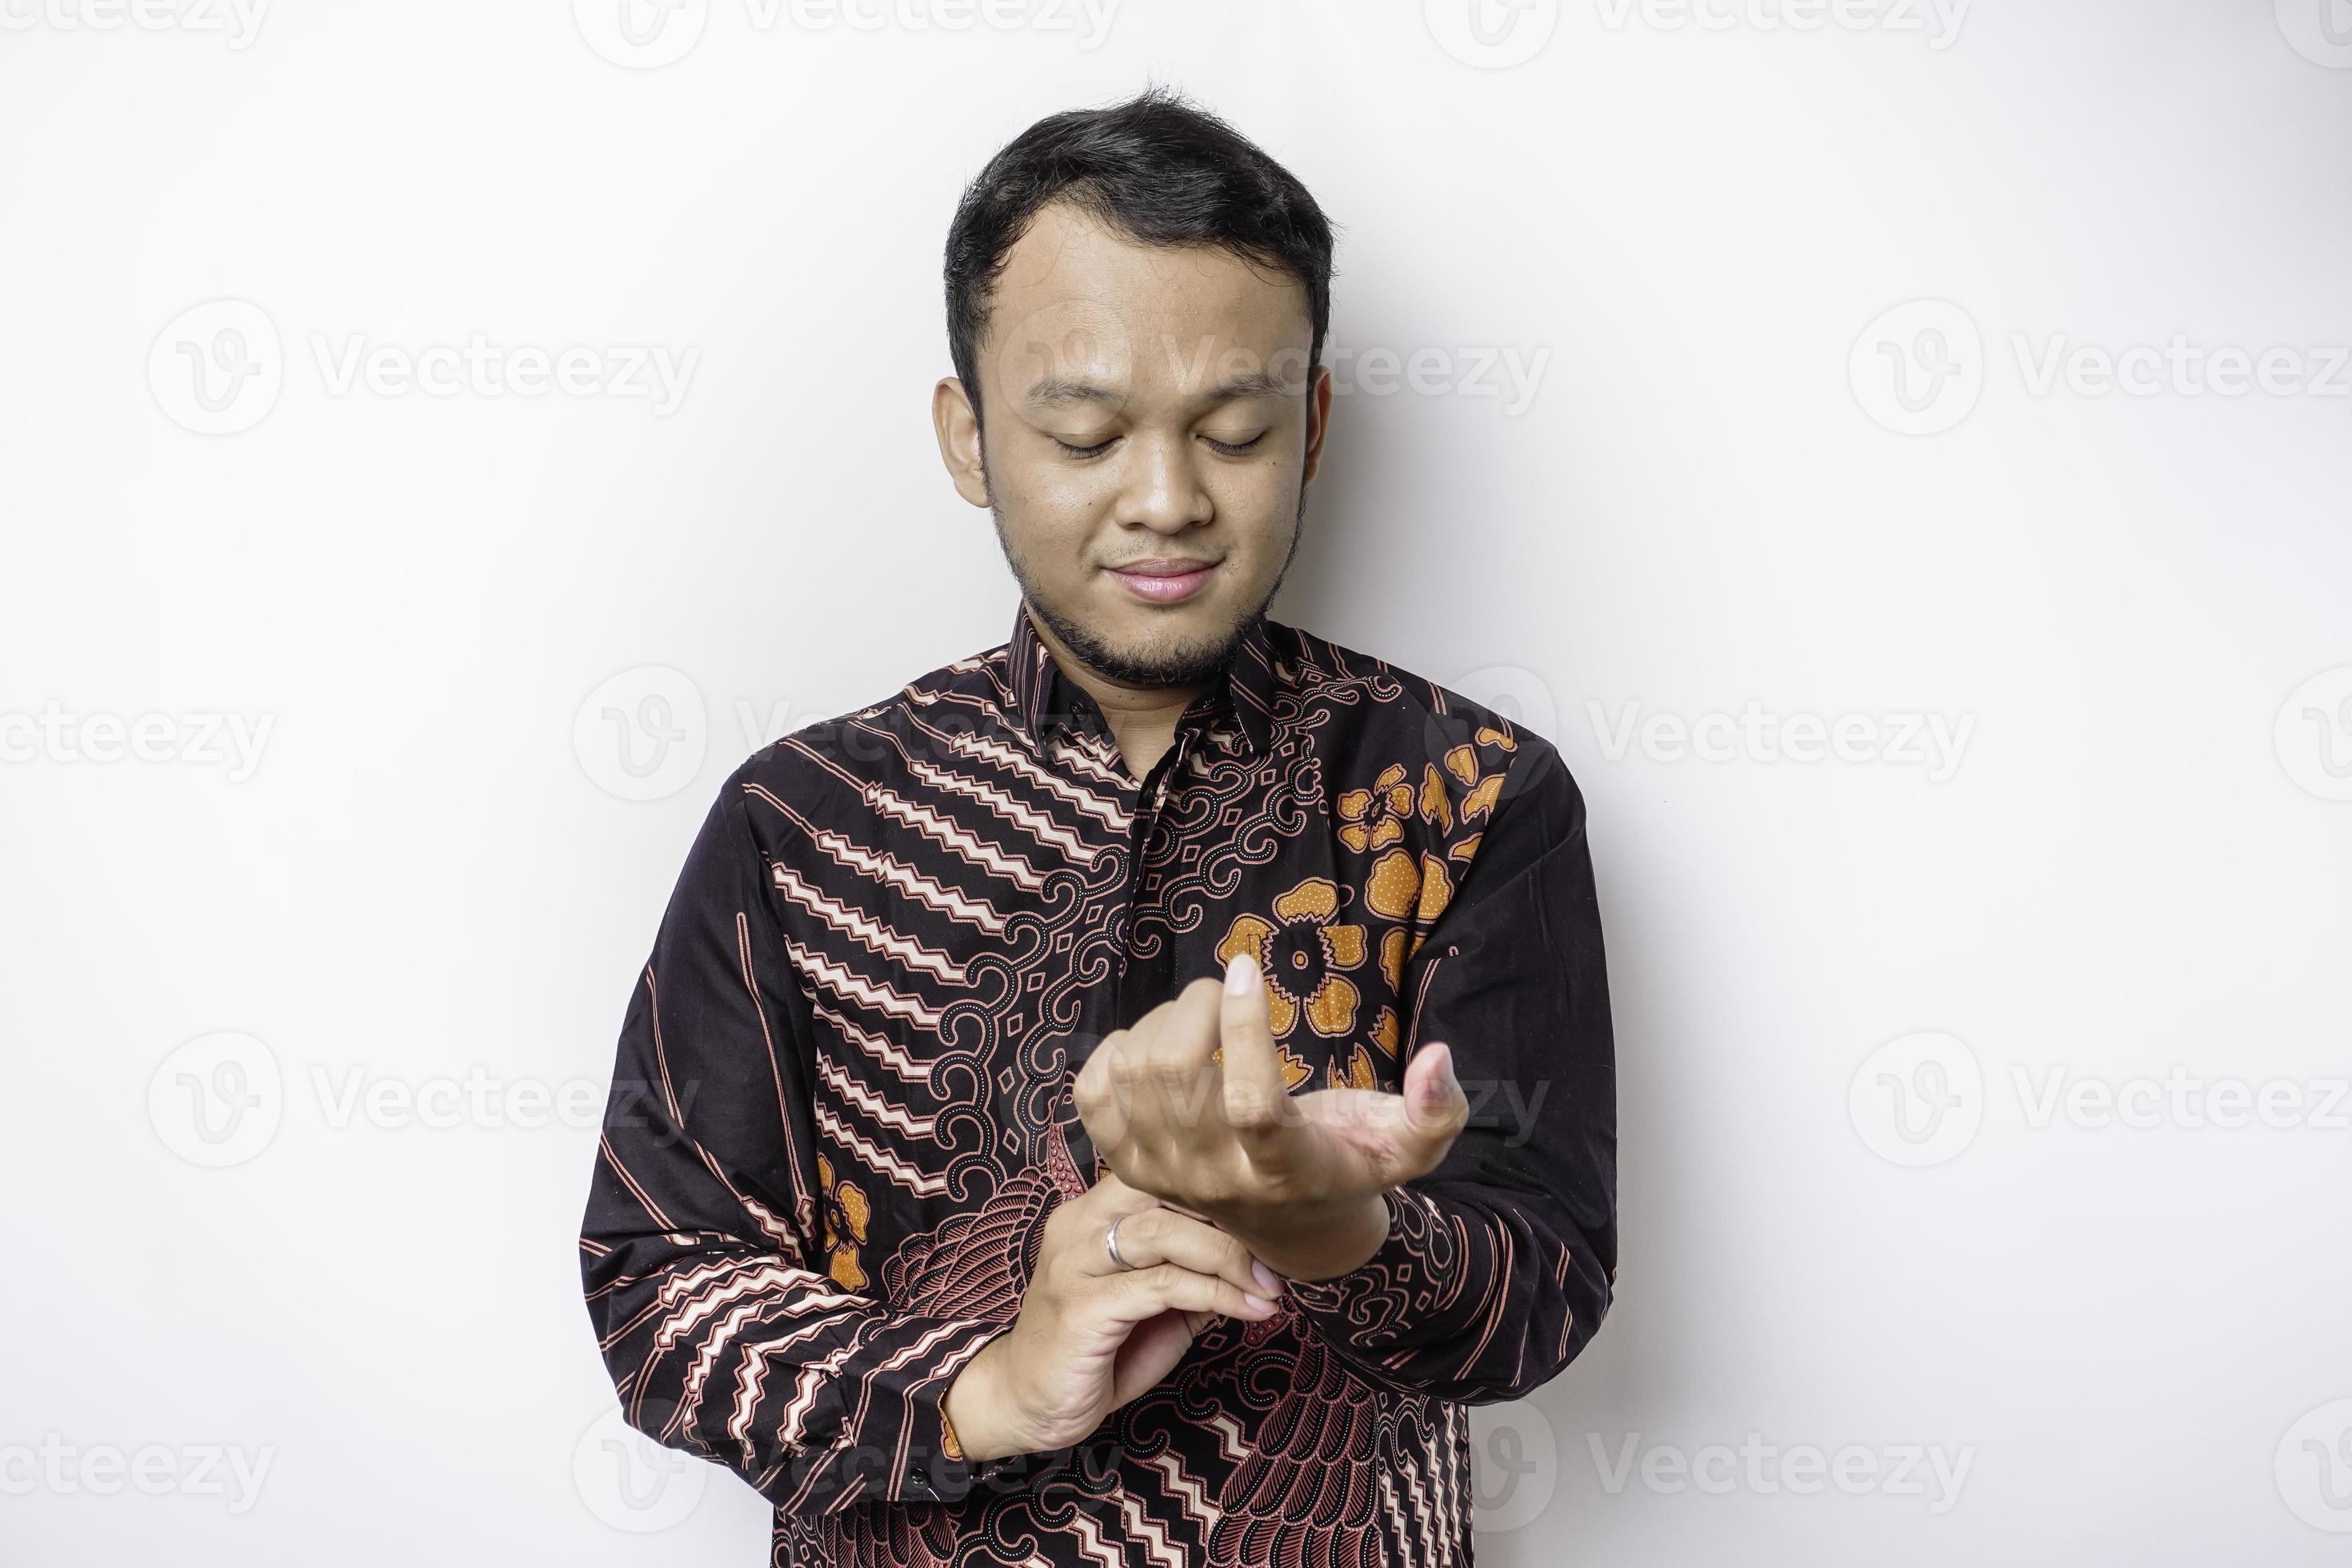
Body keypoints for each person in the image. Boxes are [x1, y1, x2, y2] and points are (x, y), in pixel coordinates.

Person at [578, 86, 1618, 1567]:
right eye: (1082, 434)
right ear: (967, 434)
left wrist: (1337, 1229)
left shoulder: (1471, 799)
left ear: (1313, 425)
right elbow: (659, 1285)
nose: (1167, 500)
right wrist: (985, 1388)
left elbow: (1551, 1284)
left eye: (1236, 430)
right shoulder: (798, 827)